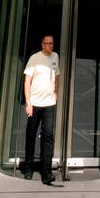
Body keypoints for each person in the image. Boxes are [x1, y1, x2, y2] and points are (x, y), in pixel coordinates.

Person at [21, 34, 59, 185]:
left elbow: (57, 77)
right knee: (31, 135)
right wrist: (28, 102)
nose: (50, 46)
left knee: (48, 136)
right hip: (35, 103)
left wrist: (55, 94)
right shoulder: (34, 58)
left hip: (49, 104)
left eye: (52, 43)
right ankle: (28, 168)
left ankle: (46, 172)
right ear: (42, 44)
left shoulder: (55, 57)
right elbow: (27, 81)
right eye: (47, 44)